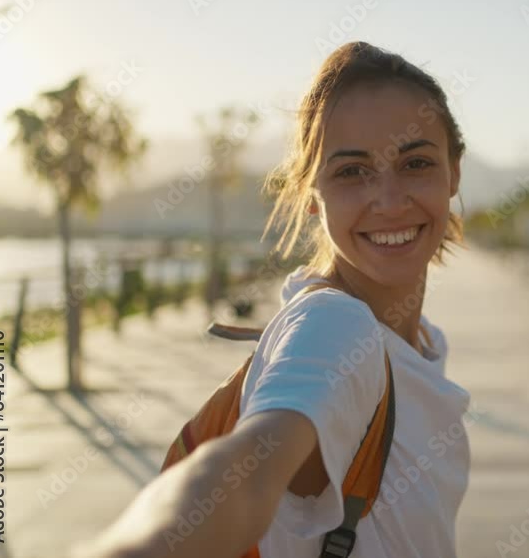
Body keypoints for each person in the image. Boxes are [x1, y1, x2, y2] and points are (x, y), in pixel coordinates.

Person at [76, 40, 472, 558]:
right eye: (351, 171)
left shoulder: (423, 342)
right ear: (311, 194)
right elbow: (239, 478)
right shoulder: (336, 326)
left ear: (453, 172)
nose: (389, 200)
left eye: (416, 163)